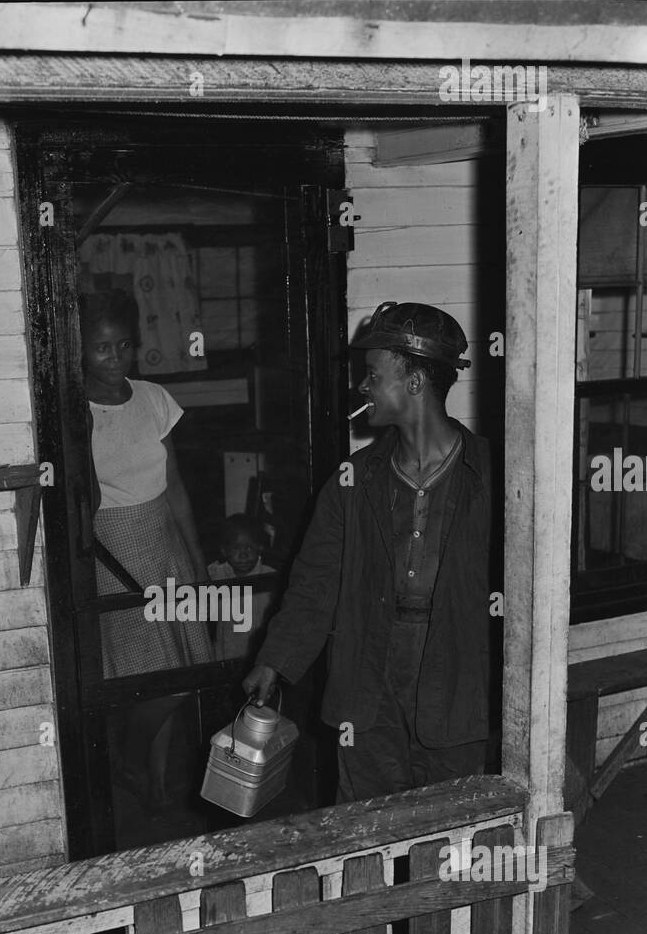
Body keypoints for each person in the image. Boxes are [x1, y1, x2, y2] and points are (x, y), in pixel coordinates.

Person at [243, 302, 493, 802]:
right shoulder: (352, 480)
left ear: (415, 382)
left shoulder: (492, 473)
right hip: (368, 674)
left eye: (374, 376)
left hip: (457, 676)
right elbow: (316, 581)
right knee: (368, 818)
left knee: (454, 818)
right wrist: (274, 661)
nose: (362, 386)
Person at [81, 289, 209, 809]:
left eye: (124, 346)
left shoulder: (154, 398)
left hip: (164, 544)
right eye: (101, 348)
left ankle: (153, 784)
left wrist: (197, 562)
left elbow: (175, 485)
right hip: (114, 553)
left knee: (180, 673)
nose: (115, 358)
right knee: (156, 679)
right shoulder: (75, 411)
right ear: (81, 351)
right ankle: (128, 758)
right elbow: (81, 500)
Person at [207, 514, 277, 662]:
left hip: (259, 655)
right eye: (236, 548)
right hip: (226, 652)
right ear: (224, 550)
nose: (243, 554)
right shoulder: (217, 575)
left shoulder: (269, 577)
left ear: (259, 547)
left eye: (249, 547)